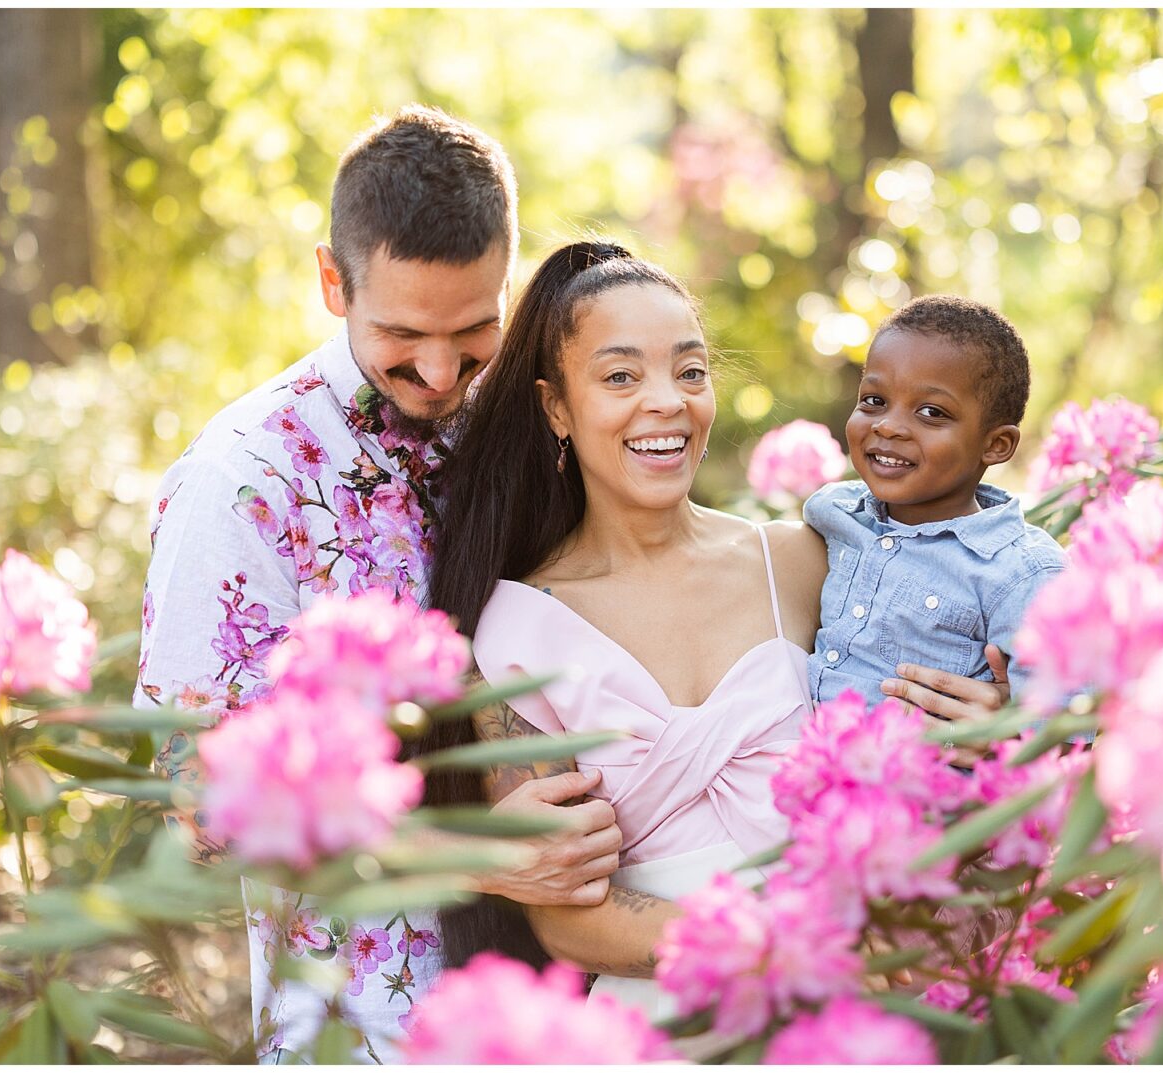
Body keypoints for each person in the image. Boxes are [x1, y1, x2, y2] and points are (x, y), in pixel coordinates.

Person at [134, 107, 623, 1064]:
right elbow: (196, 802)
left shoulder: (544, 427)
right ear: (332, 279)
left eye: (475, 331)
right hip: (366, 1032)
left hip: (584, 1010)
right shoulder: (246, 479)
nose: (441, 372)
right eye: (403, 333)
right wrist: (475, 850)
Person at [426, 243, 1009, 1043]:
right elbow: (567, 918)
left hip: (851, 1015)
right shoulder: (517, 627)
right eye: (621, 376)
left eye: (690, 372)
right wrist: (781, 949)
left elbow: (936, 694)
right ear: (556, 407)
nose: (665, 401)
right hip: (659, 1025)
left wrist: (995, 714)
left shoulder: (803, 559)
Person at [804, 295, 1066, 711]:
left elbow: (1062, 730)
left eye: (930, 412)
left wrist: (1006, 730)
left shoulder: (1022, 575)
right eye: (874, 401)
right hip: (806, 764)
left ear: (996, 445)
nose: (888, 426)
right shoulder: (833, 513)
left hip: (926, 771)